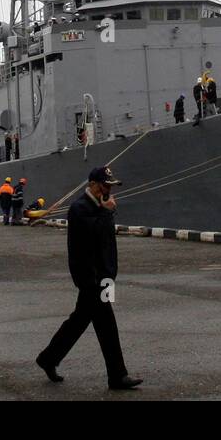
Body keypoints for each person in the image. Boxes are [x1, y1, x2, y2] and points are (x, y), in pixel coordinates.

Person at [36, 166, 142, 390]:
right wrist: (107, 212)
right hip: (91, 279)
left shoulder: (99, 207)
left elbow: (106, 241)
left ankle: (48, 358)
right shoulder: (79, 208)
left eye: (111, 186)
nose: (109, 190)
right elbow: (91, 237)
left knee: (79, 321)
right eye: (105, 185)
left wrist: (112, 271)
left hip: (105, 275)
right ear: (93, 185)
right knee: (107, 326)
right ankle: (117, 376)